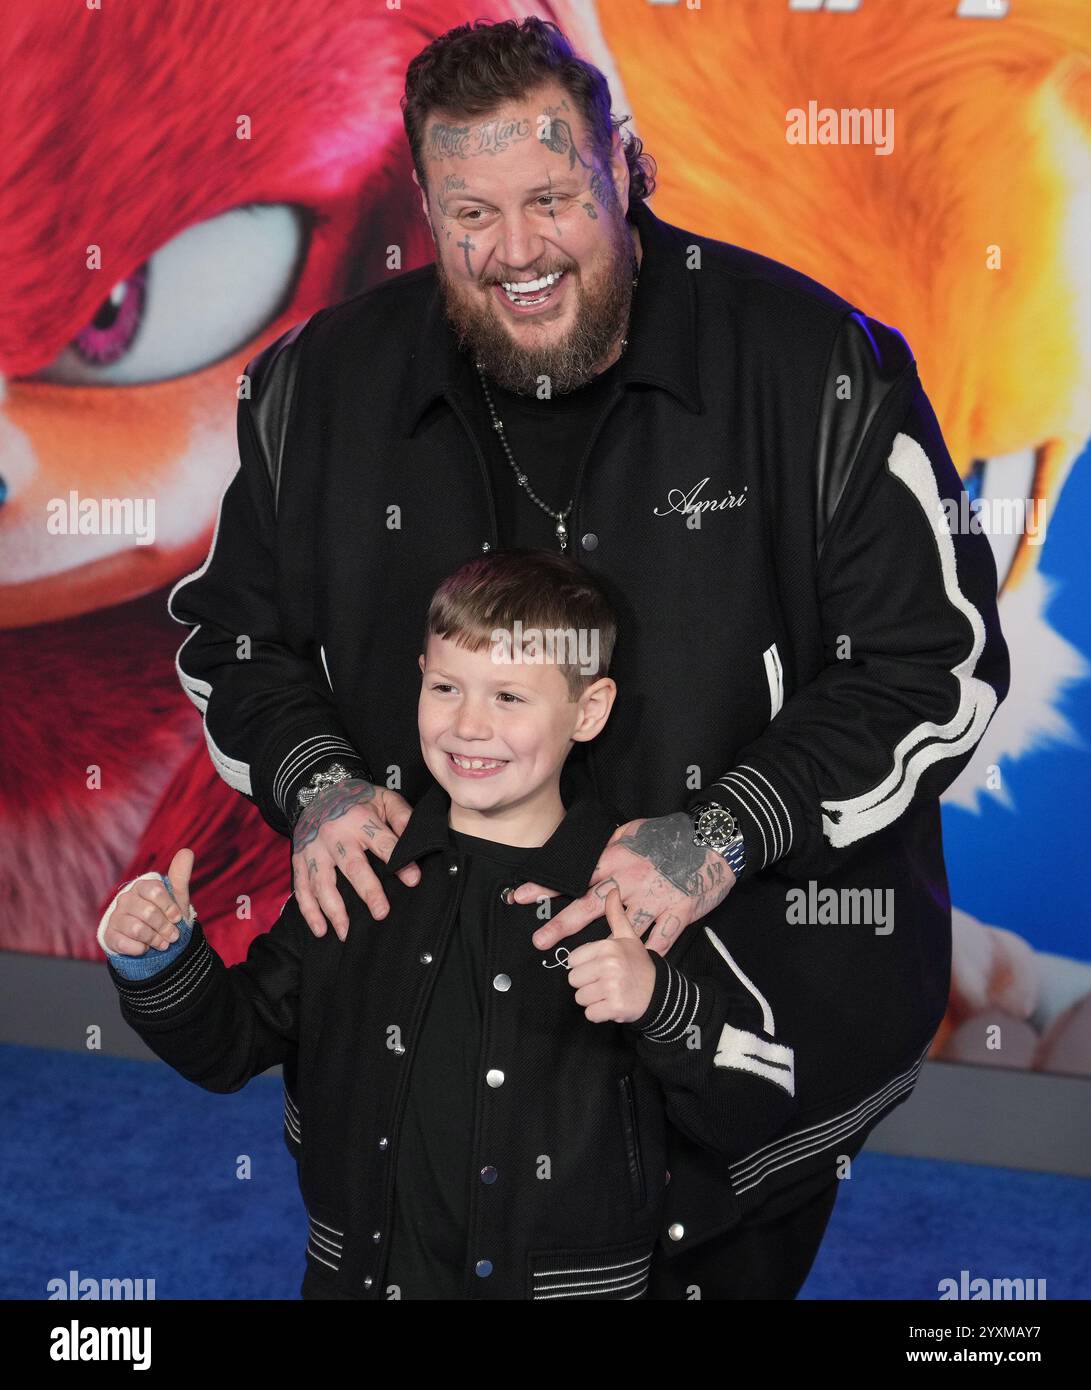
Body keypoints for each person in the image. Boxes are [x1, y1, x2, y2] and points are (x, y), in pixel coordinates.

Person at [148, 17, 1010, 1297]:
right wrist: (316, 778)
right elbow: (234, 638)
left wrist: (724, 828)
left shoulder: (818, 364)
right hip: (416, 1056)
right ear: (424, 206)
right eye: (469, 215)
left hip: (733, 1041)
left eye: (551, 198)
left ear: (628, 167)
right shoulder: (318, 383)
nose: (515, 254)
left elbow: (932, 667)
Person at [100, 549, 802, 1301]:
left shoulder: (632, 894)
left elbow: (762, 1094)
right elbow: (229, 1048)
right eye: (445, 687)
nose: (469, 726)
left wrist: (660, 1002)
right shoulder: (359, 874)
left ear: (589, 710)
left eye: (508, 697)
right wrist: (162, 960)